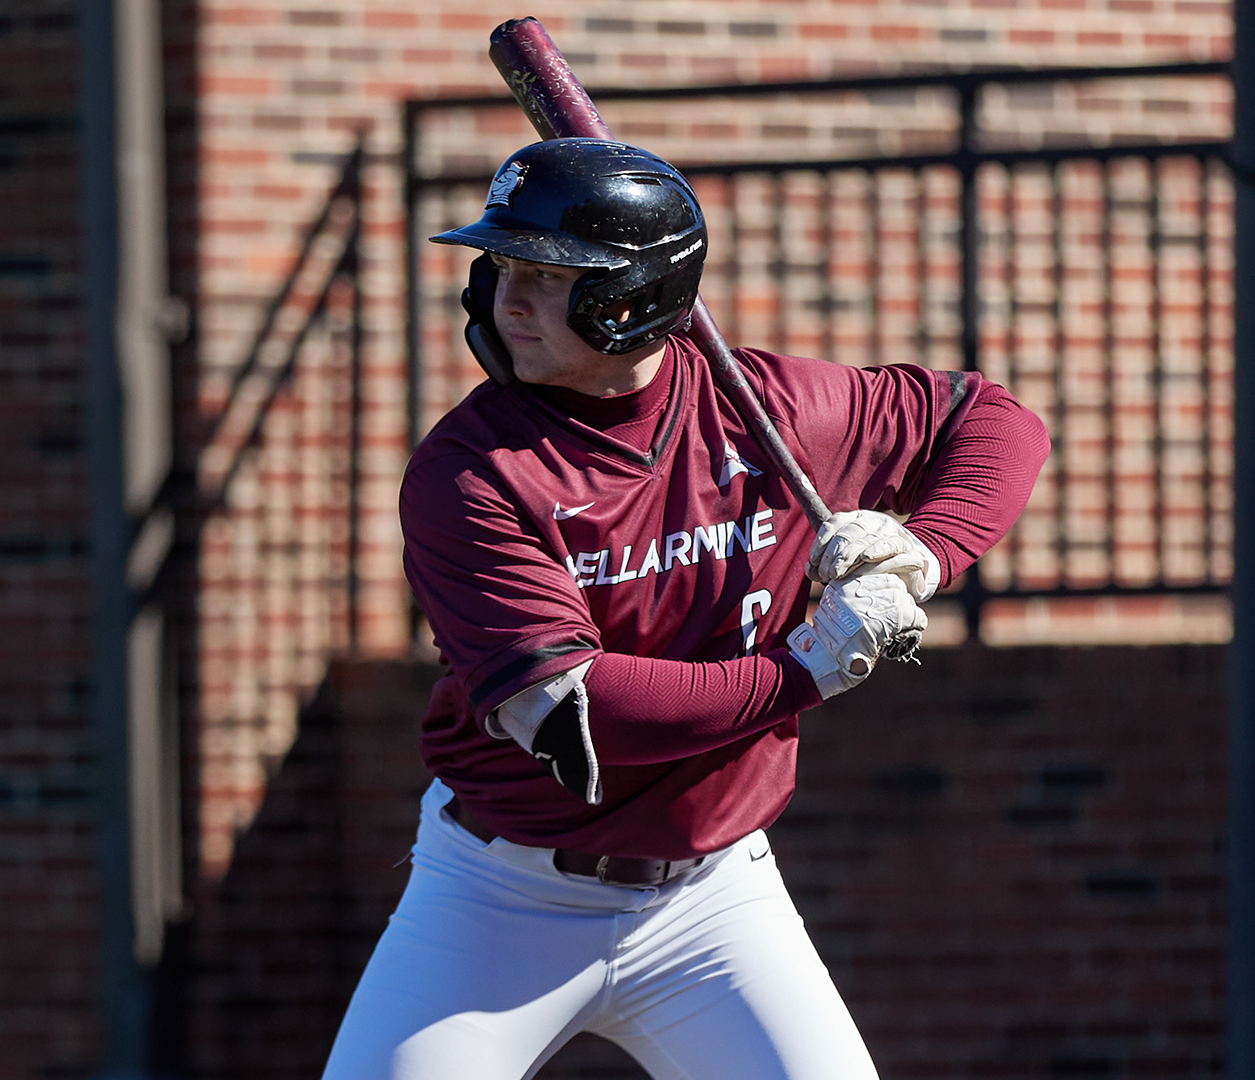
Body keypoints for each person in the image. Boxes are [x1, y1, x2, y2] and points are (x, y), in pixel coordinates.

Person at [321, 138, 1049, 1080]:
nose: (510, 300)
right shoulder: (469, 472)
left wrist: (926, 552)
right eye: (503, 266)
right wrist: (809, 669)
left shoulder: (772, 411)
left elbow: (993, 422)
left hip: (715, 902)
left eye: (549, 275)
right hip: (499, 899)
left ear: (636, 297)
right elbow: (583, 715)